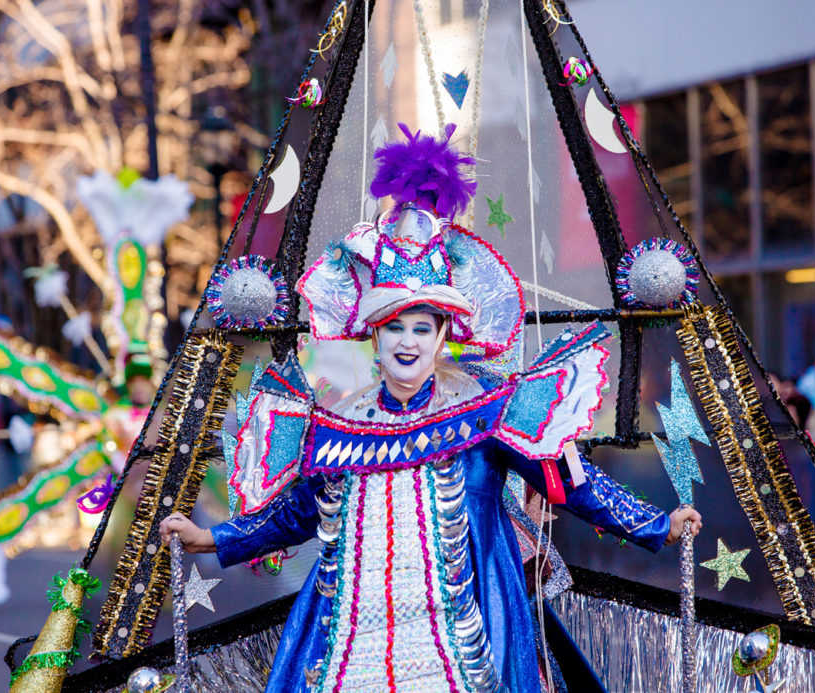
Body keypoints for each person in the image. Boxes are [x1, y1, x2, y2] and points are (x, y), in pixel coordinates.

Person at [160, 125, 701, 693]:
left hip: (464, 642)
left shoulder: (488, 408)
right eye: (395, 326)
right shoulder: (336, 425)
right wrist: (213, 540)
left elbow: (570, 482)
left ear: (444, 334)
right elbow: (297, 513)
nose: (408, 342)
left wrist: (655, 524)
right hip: (353, 643)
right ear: (374, 334)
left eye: (422, 327)